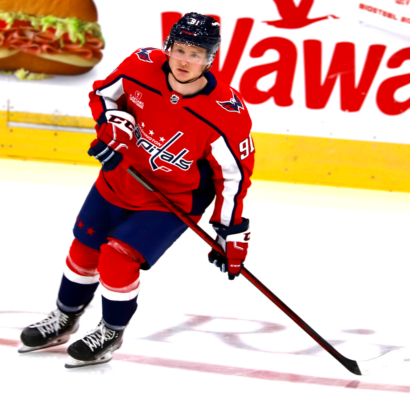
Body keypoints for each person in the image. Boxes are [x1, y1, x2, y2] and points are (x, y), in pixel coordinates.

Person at [18, 12, 255, 368]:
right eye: (180, 49)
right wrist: (112, 125)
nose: (184, 60)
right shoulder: (140, 66)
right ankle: (65, 318)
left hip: (171, 201)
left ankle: (111, 332)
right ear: (168, 47)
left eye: (195, 54)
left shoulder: (226, 113)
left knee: (118, 258)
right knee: (84, 249)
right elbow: (103, 95)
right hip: (120, 178)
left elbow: (233, 176)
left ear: (210, 58)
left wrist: (229, 228)